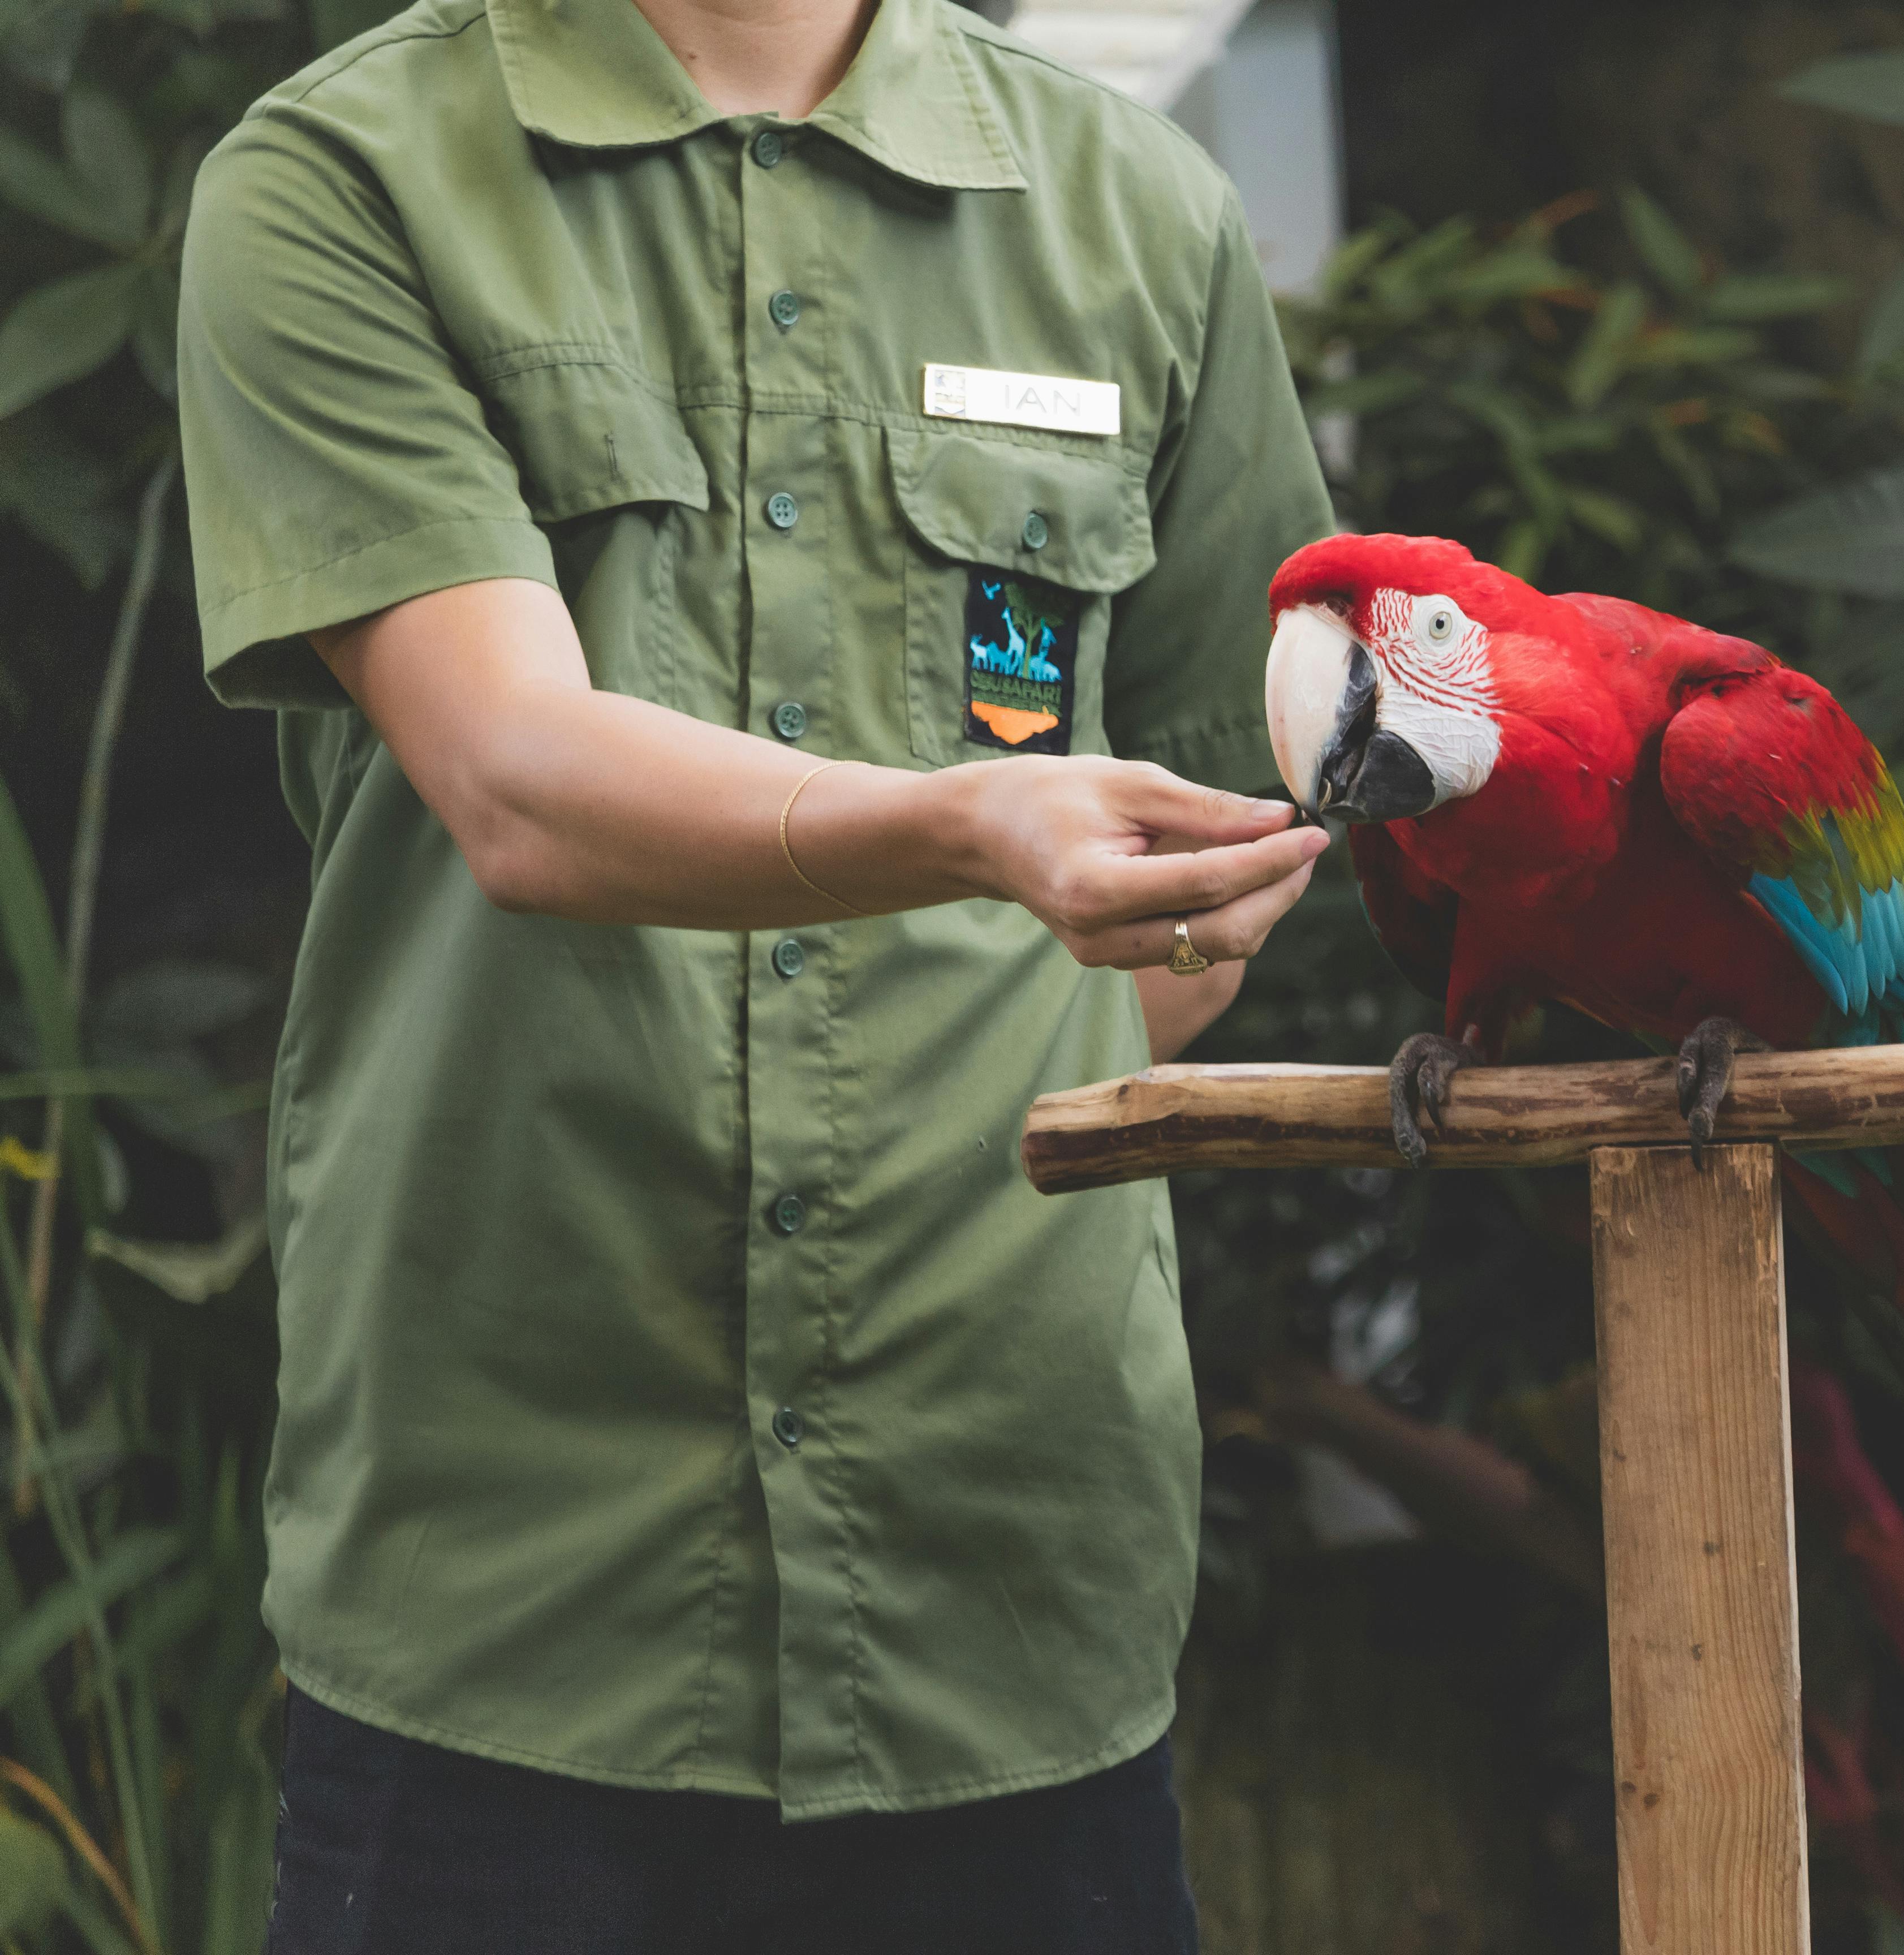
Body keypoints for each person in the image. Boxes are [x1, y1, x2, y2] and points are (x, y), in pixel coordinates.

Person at [175, 0, 1336, 1940]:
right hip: (517, 1582)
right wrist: (969, 827)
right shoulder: (348, 176)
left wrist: (975, 1111)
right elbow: (519, 783)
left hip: (1007, 1574)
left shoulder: (1139, 210)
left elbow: (1226, 868)